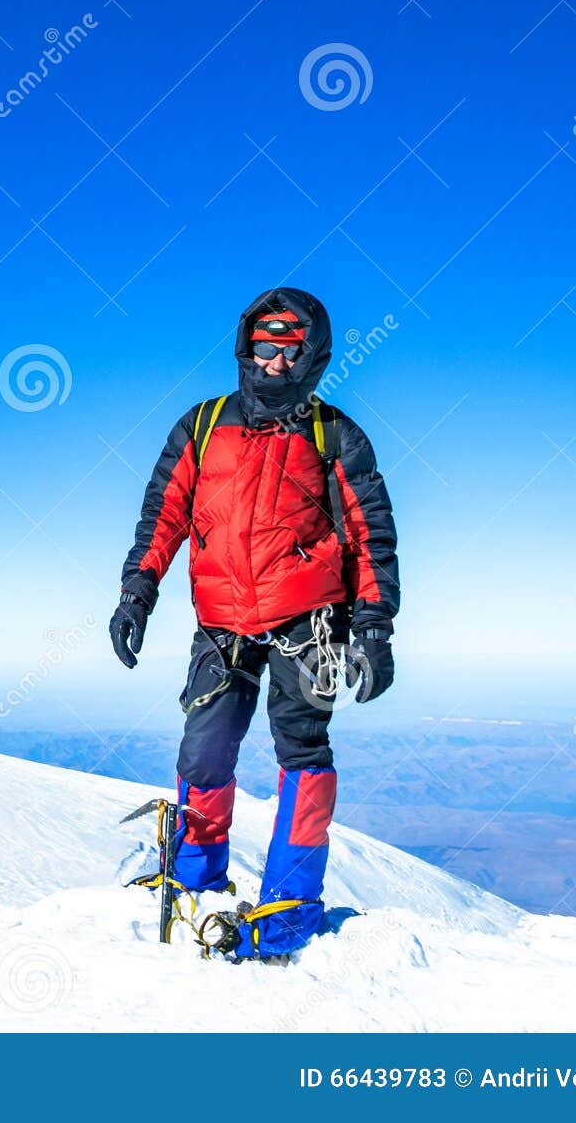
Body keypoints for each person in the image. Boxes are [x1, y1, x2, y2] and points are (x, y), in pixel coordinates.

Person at [110, 286, 399, 959]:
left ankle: (291, 906)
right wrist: (136, 594)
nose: (274, 362)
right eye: (265, 347)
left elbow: (369, 535)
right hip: (220, 626)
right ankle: (198, 880)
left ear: (313, 356)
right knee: (205, 751)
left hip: (311, 625)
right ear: (246, 347)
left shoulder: (334, 435)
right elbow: (163, 514)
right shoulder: (203, 425)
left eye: (289, 350)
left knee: (301, 751)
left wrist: (375, 629)